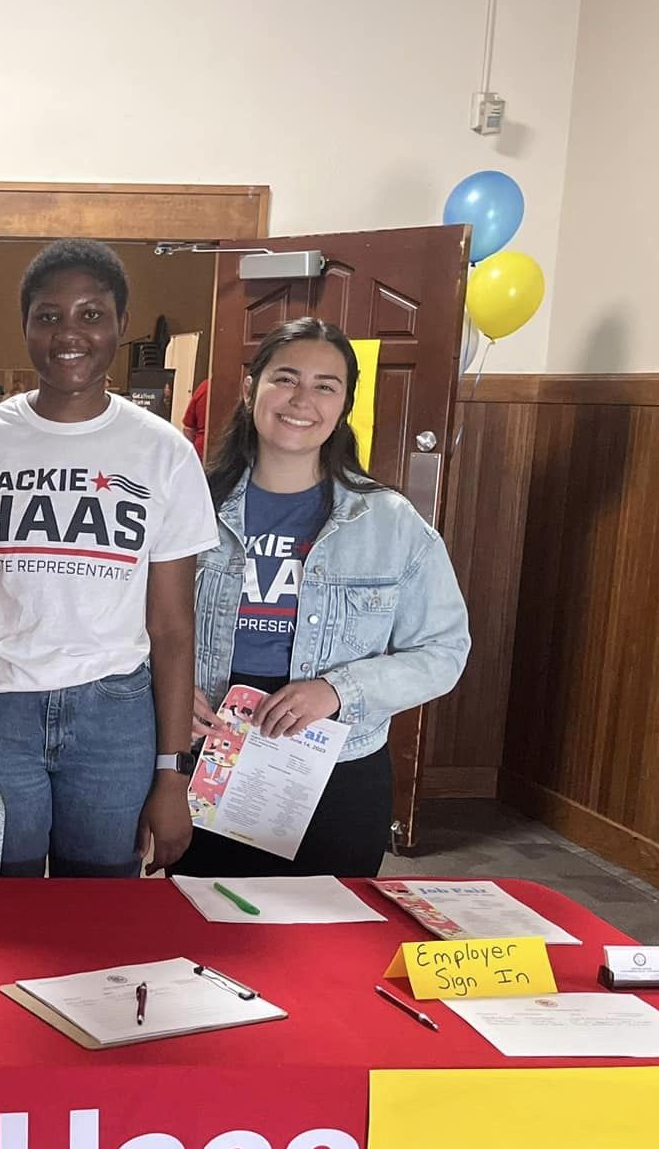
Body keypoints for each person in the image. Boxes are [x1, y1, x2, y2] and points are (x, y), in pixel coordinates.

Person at [0, 240, 216, 877]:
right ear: (25, 326)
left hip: (115, 716)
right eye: (48, 316)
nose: (69, 333)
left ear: (120, 325)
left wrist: (170, 771)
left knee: (101, 901)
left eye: (91, 315)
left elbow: (172, 627)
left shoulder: (164, 452)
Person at [176, 316, 470, 879]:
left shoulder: (389, 522)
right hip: (208, 751)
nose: (301, 399)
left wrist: (337, 691)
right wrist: (163, 691)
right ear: (250, 389)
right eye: (285, 379)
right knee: (203, 926)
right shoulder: (189, 506)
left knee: (327, 934)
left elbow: (444, 652)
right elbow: (130, 621)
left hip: (337, 762)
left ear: (344, 406)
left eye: (325, 386)